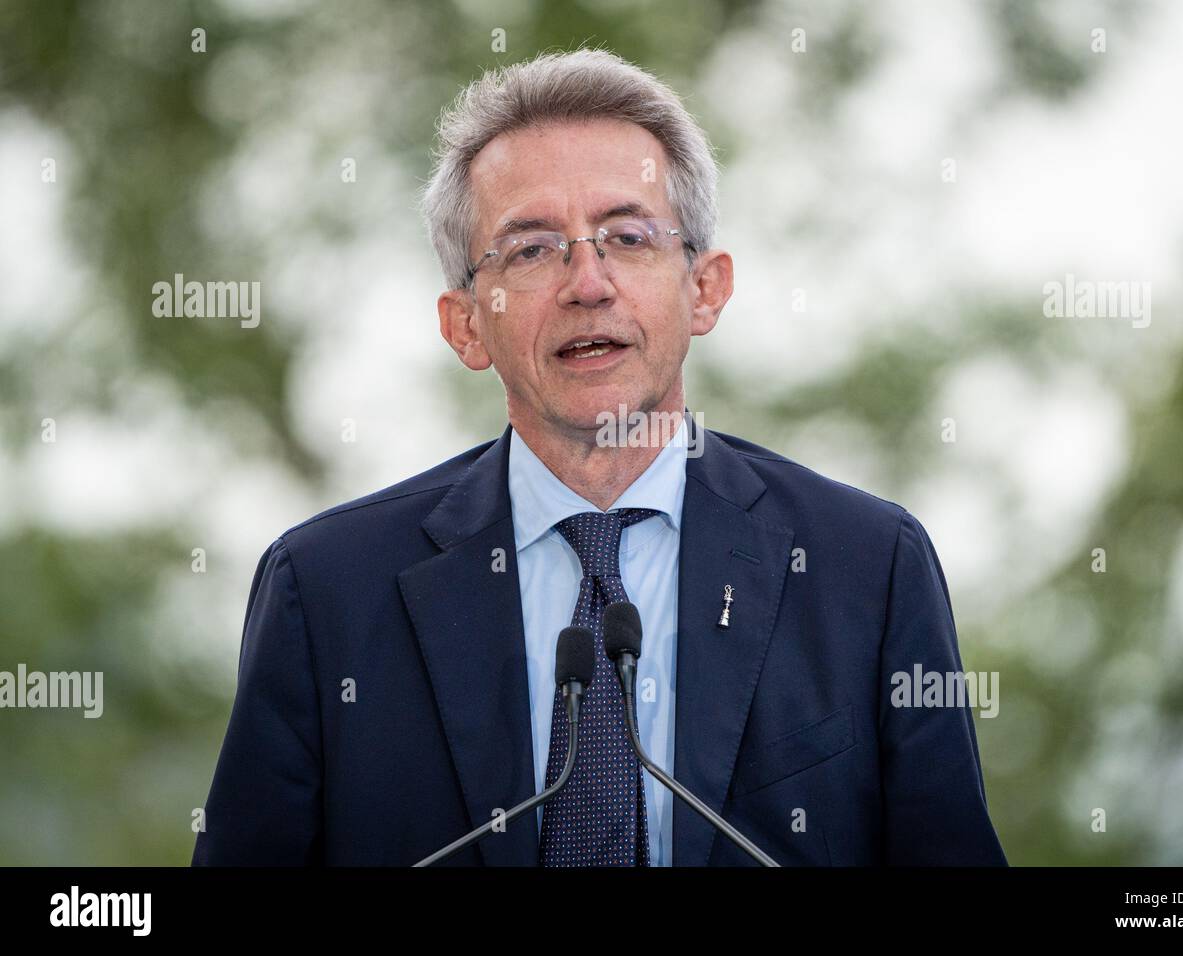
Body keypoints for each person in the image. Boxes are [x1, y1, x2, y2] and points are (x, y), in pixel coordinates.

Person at [192, 47, 1007, 867]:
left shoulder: (863, 566)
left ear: (705, 289)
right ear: (465, 325)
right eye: (533, 250)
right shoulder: (327, 592)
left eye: (627, 236)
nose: (589, 282)